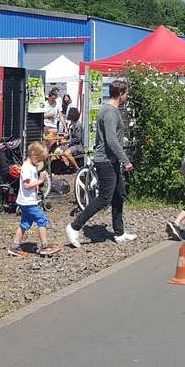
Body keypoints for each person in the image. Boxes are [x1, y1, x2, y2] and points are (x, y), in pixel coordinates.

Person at [66, 80, 136, 247]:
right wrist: (126, 160)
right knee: (104, 198)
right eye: (126, 93)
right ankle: (74, 227)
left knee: (119, 195)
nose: (127, 96)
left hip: (110, 159)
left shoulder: (106, 108)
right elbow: (111, 140)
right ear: (120, 94)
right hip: (106, 160)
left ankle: (119, 233)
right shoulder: (111, 112)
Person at [8, 142, 61, 257]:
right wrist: (40, 181)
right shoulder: (27, 168)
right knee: (42, 220)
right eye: (39, 159)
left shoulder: (30, 166)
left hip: (25, 201)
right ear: (33, 154)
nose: (39, 162)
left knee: (25, 223)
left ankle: (15, 246)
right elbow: (27, 185)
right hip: (29, 202)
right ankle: (44, 246)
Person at [55, 107, 83, 171]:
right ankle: (66, 166)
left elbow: (78, 139)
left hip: (78, 146)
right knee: (57, 151)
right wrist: (67, 136)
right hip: (72, 145)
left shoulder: (78, 125)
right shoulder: (72, 124)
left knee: (66, 153)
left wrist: (67, 142)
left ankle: (77, 168)